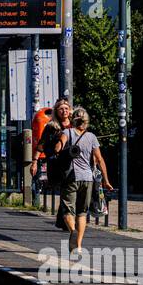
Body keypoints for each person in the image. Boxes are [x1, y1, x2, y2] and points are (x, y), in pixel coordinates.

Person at [55, 106, 113, 256]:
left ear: (73, 120)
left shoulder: (67, 132)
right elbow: (99, 159)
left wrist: (59, 145)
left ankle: (72, 231)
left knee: (68, 209)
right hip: (88, 178)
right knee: (82, 212)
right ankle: (78, 246)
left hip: (71, 177)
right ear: (86, 122)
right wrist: (106, 180)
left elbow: (58, 147)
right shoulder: (92, 137)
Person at [31, 98, 72, 228]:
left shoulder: (75, 124)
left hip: (75, 162)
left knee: (69, 191)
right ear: (56, 111)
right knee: (68, 190)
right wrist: (34, 161)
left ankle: (62, 219)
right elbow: (42, 144)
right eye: (61, 109)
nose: (64, 111)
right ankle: (65, 220)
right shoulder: (51, 126)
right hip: (59, 163)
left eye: (66, 108)